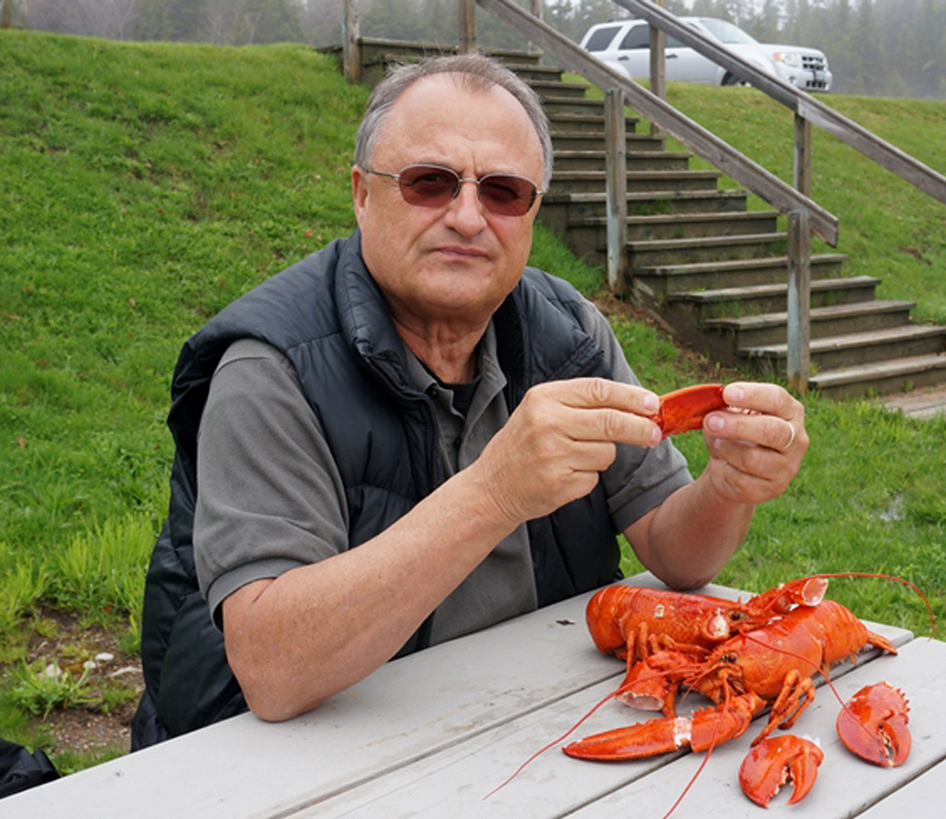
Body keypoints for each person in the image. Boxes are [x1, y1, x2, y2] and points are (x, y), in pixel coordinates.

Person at [131, 53, 808, 749]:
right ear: (362, 194)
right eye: (429, 182)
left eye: (503, 192)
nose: (466, 216)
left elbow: (677, 551)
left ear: (531, 212)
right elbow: (272, 669)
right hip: (277, 763)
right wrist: (494, 492)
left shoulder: (570, 332)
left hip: (517, 729)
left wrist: (730, 485)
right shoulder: (269, 366)